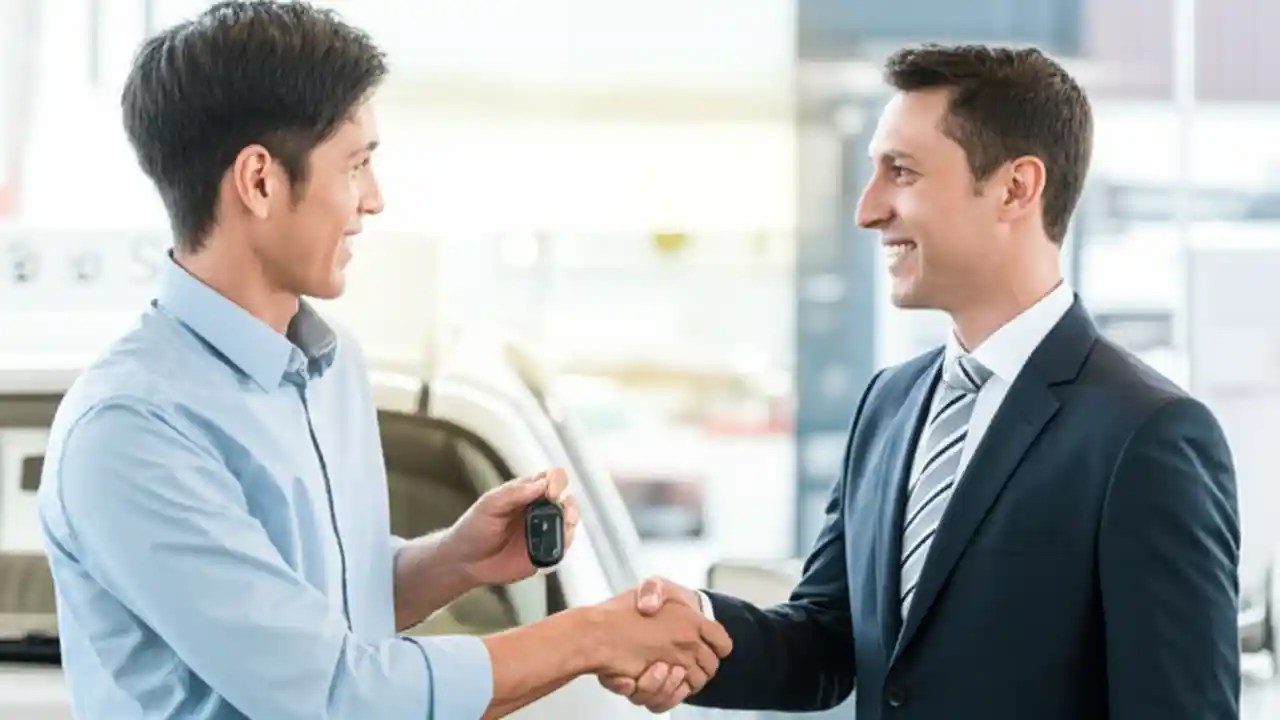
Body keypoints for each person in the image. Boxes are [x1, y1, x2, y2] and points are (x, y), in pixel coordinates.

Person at [37, 3, 730, 719]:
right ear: (260, 181)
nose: (375, 200)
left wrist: (455, 560)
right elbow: (337, 694)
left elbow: (320, 619)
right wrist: (590, 635)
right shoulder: (131, 431)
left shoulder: (331, 370)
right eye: (357, 165)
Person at [603, 44, 1240, 719]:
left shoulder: (1147, 438)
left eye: (900, 172)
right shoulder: (890, 404)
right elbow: (825, 642)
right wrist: (692, 627)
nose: (868, 210)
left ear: (1016, 188)